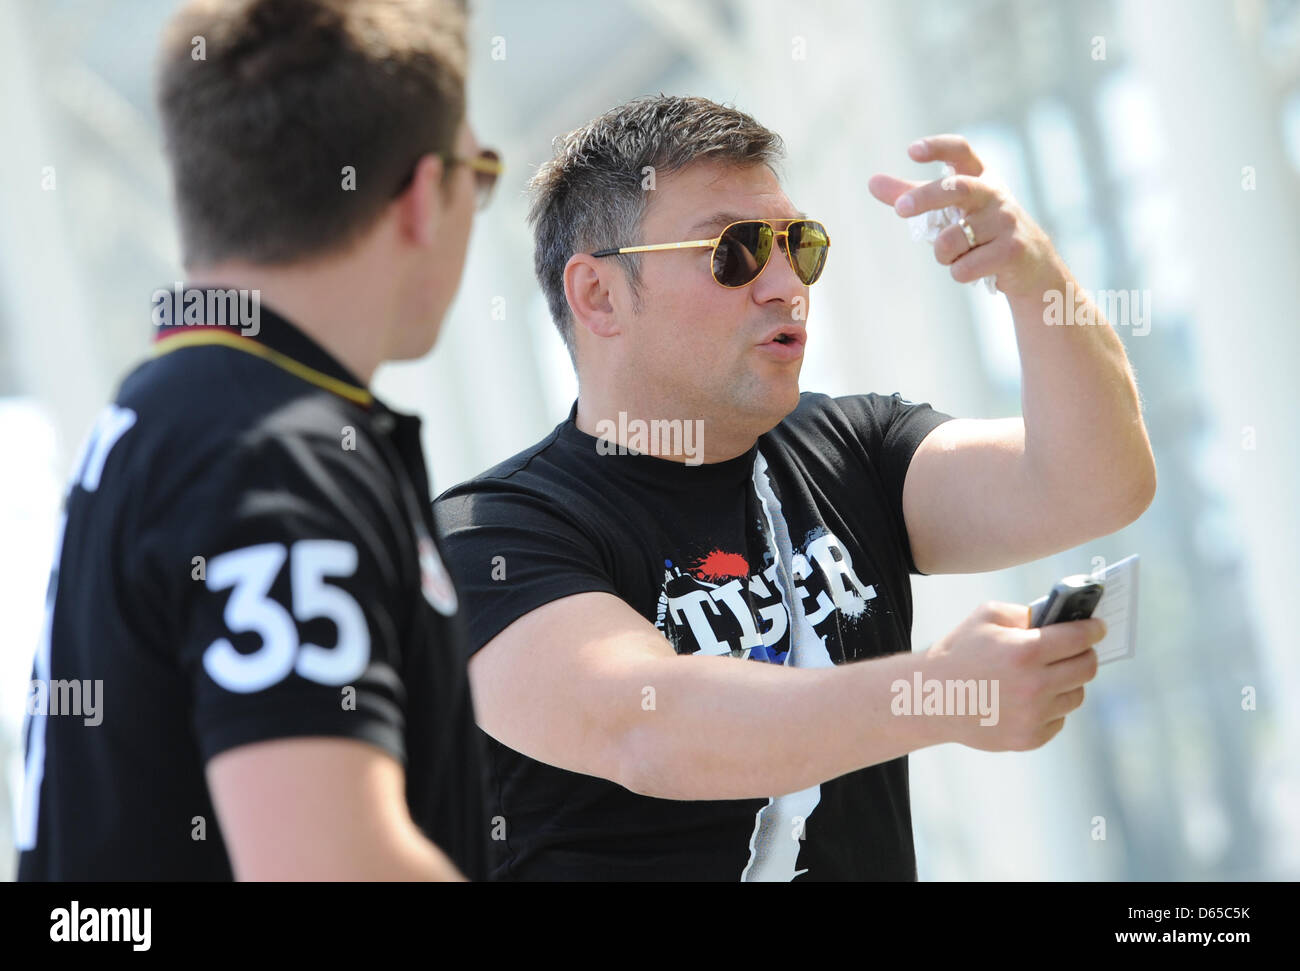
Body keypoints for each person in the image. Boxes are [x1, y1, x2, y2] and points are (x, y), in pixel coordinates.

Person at [434, 94, 1156, 881]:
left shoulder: (854, 445)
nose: (785, 284)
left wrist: (1032, 275)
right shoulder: (490, 535)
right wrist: (940, 692)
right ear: (598, 295)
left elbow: (1096, 483)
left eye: (799, 245)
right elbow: (645, 727)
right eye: (734, 251)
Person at [17, 0, 502, 881]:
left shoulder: (178, 413)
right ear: (426, 196)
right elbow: (327, 865)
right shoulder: (276, 454)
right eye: (484, 171)